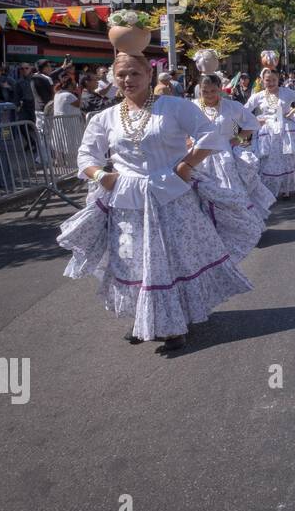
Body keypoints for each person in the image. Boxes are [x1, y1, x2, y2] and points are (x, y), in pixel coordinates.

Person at [57, 51, 253, 352]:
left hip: (172, 194)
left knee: (172, 258)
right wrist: (101, 176)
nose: (127, 79)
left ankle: (173, 323)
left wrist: (187, 166)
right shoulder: (105, 117)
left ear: (149, 75)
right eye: (121, 74)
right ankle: (143, 318)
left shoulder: (174, 106)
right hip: (126, 198)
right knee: (132, 258)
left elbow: (208, 135)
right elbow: (85, 155)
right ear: (113, 77)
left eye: (134, 73)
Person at [193, 73, 276, 221]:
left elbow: (252, 123)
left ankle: (238, 226)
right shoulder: (192, 106)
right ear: (200, 90)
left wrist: (237, 139)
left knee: (228, 192)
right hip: (197, 158)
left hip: (224, 158)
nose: (209, 95)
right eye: (205, 91)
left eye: (213, 91)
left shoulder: (231, 106)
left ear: (220, 89)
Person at [245, 55, 295, 198]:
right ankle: (269, 188)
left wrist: (292, 111)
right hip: (266, 131)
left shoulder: (286, 92)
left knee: (284, 158)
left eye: (274, 80)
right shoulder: (259, 95)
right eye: (268, 80)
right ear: (263, 81)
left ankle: (285, 188)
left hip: (284, 130)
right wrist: (256, 121)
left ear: (278, 79)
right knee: (267, 160)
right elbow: (244, 110)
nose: (271, 83)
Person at [48, 74, 84, 168]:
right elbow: (79, 104)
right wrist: (79, 93)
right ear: (70, 85)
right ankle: (71, 165)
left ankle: (59, 162)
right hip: (69, 123)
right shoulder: (68, 95)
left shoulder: (57, 94)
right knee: (70, 142)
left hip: (59, 122)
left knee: (60, 142)